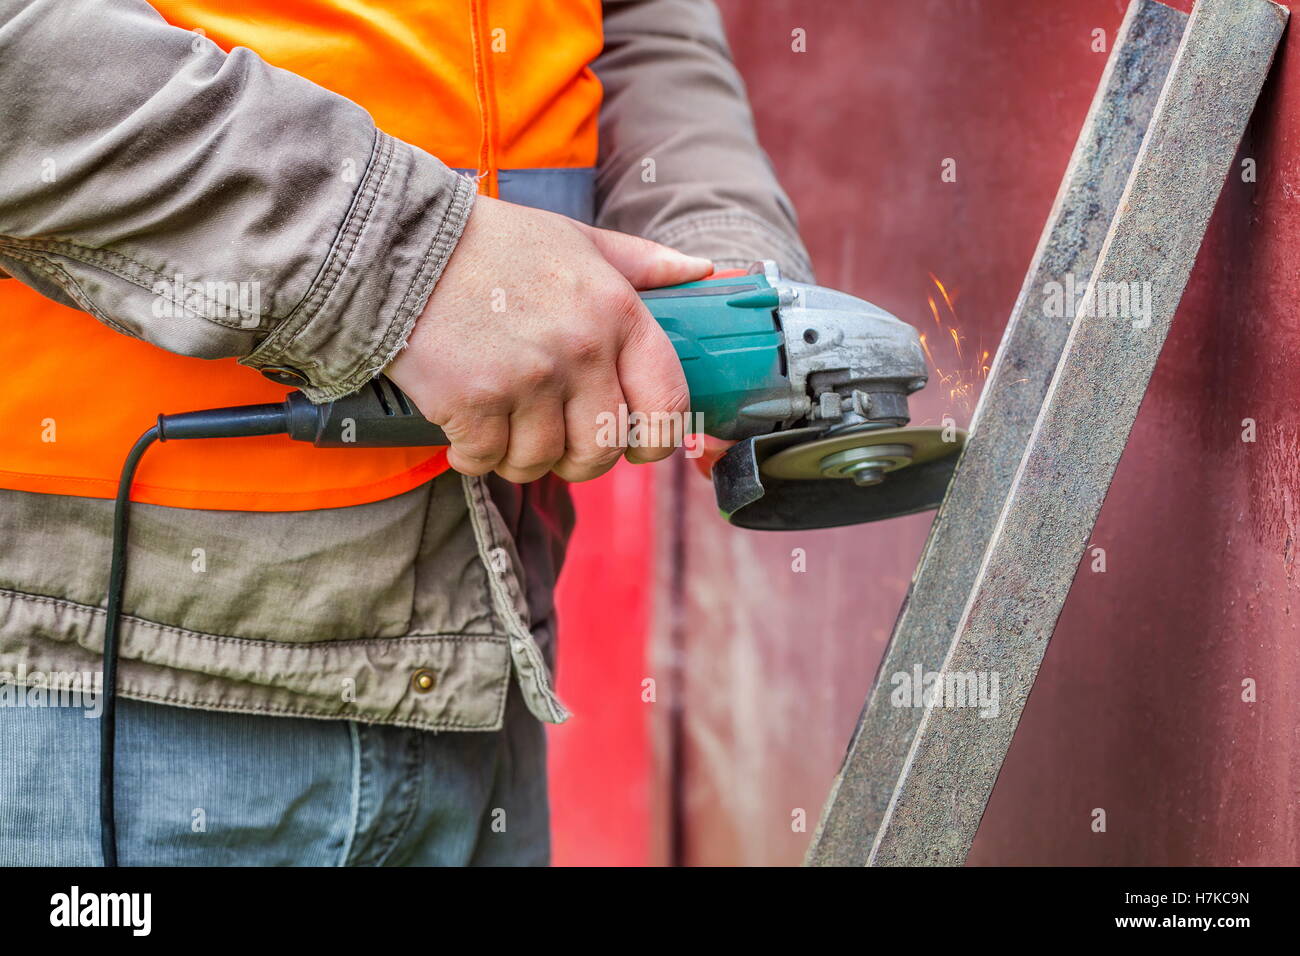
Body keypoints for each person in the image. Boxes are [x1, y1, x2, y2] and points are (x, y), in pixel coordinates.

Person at [0, 0, 811, 865]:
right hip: (91, 682)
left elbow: (638, 20)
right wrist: (413, 260)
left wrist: (715, 256)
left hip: (481, 656)